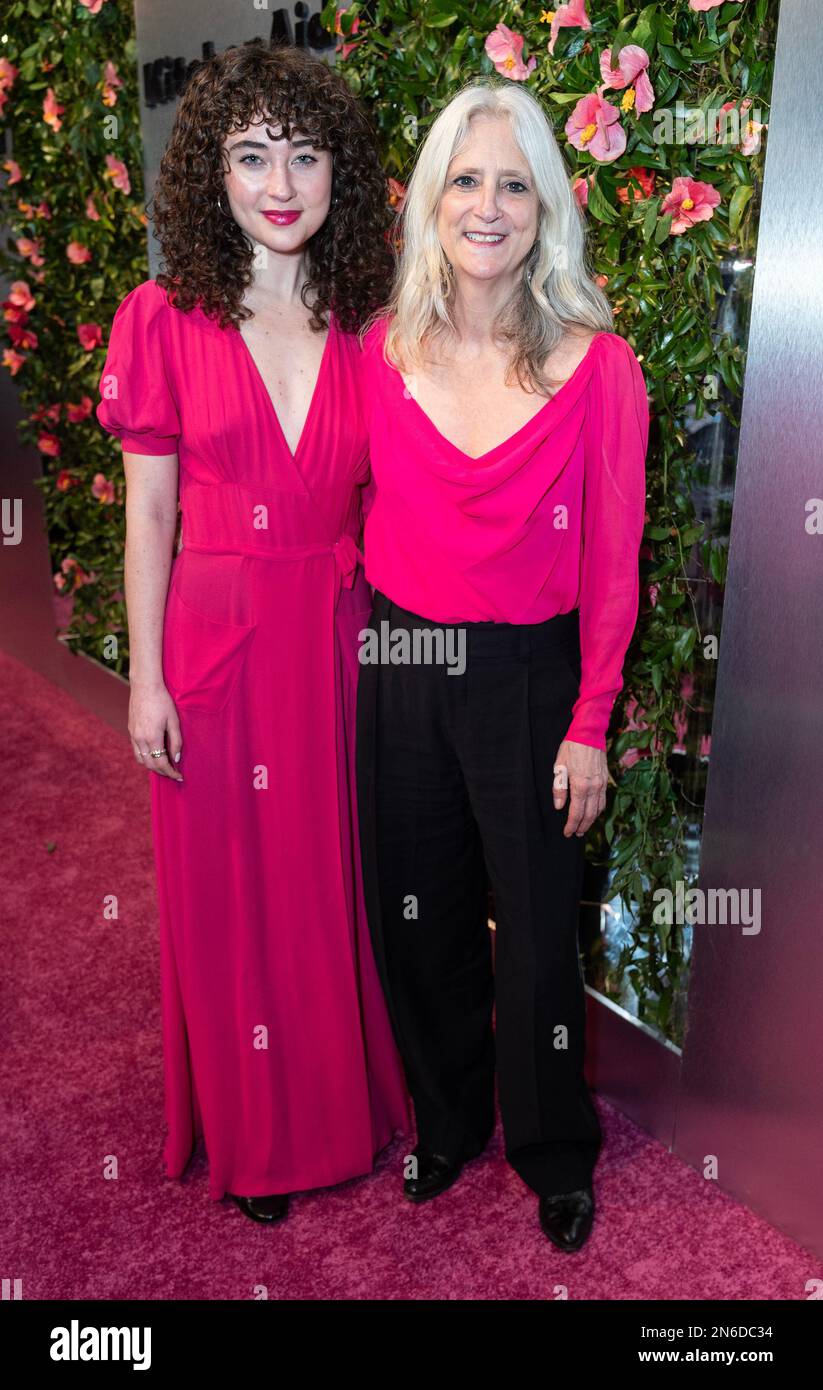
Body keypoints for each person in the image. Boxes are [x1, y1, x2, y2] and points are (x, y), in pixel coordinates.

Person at [96, 40, 411, 1225]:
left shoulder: (369, 327)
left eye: (305, 152)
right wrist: (146, 679)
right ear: (213, 175)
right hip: (216, 646)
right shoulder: (162, 318)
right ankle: (258, 1133)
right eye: (250, 153)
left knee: (334, 883)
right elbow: (150, 512)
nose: (280, 181)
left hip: (336, 639)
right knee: (234, 897)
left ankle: (347, 1104)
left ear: (339, 171)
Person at [355, 79, 649, 1252]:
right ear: (432, 202)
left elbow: (615, 565)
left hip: (533, 676)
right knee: (414, 914)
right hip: (402, 661)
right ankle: (445, 1119)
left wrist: (590, 721)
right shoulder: (380, 351)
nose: (488, 206)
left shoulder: (600, 367)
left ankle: (552, 1146)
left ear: (544, 208)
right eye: (466, 180)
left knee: (534, 929)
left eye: (513, 183)